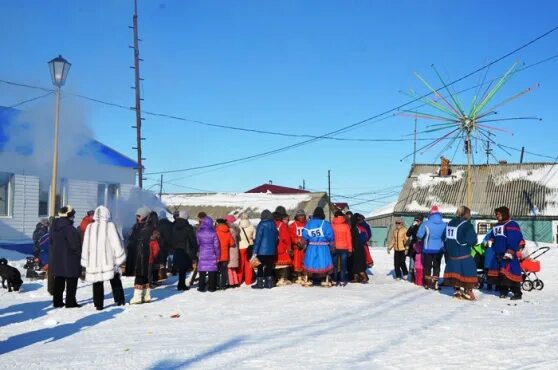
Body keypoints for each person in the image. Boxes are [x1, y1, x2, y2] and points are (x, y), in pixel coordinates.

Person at [81, 206, 127, 310]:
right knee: (115, 280)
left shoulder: (90, 227)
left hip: (94, 260)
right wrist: (119, 257)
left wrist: (85, 259)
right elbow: (116, 243)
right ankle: (119, 300)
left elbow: (85, 245)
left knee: (97, 283)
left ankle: (98, 304)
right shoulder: (110, 226)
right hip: (109, 259)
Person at [484, 206, 524, 300]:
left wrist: (510, 250)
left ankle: (517, 293)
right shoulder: (497, 225)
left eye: (499, 214)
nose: (497, 216)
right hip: (497, 254)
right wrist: (491, 239)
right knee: (500, 275)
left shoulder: (512, 224)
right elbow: (494, 235)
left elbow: (514, 238)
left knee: (511, 274)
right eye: (496, 214)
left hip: (508, 254)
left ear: (504, 214)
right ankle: (503, 292)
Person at [442, 206, 478, 300]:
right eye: (469, 214)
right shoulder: (467, 225)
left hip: (452, 256)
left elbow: (443, 237)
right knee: (469, 272)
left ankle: (457, 289)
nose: (470, 216)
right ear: (465, 214)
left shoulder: (450, 223)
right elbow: (473, 240)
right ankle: (468, 291)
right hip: (463, 255)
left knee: (455, 274)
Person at [50, 205, 82, 308]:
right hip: (70, 259)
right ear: (69, 216)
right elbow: (76, 246)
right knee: (72, 281)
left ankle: (57, 301)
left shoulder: (53, 227)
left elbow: (51, 242)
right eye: (72, 215)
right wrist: (80, 254)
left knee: (59, 280)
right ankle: (70, 302)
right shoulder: (70, 229)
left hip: (57, 258)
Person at [127, 208, 159, 304]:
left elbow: (145, 243)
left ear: (145, 216)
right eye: (136, 215)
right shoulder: (140, 226)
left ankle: (137, 297)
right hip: (139, 254)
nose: (137, 217)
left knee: (140, 275)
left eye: (139, 215)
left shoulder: (147, 228)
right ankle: (146, 295)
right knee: (144, 275)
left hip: (143, 255)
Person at [302, 207, 335, 287]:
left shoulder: (309, 224)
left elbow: (304, 235)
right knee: (324, 263)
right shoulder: (326, 224)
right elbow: (331, 236)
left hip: (311, 247)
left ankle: (308, 279)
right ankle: (325, 280)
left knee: (310, 263)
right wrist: (332, 245)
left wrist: (303, 243)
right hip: (323, 248)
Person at [417, 205, 446, 290]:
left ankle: (428, 283)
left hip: (427, 248)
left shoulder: (426, 223)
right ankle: (435, 283)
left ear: (430, 213)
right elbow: (445, 237)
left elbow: (419, 235)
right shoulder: (444, 224)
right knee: (437, 266)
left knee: (427, 266)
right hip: (440, 249)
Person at [171, 210, 198, 291]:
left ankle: (181, 284)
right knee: (183, 268)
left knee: (180, 268)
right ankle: (181, 284)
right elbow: (192, 239)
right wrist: (195, 247)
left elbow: (170, 237)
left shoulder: (174, 225)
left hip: (176, 249)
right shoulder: (187, 227)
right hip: (186, 249)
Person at [252, 209, 278, 289]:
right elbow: (276, 238)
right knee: (269, 267)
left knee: (260, 267)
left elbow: (258, 239)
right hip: (271, 251)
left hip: (262, 251)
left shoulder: (261, 224)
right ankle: (269, 283)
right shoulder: (274, 224)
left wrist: (255, 251)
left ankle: (260, 284)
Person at [196, 216, 220, 292]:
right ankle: (212, 287)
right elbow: (216, 245)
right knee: (212, 270)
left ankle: (201, 287)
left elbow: (198, 243)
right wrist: (218, 255)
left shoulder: (199, 232)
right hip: (211, 253)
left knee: (202, 271)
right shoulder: (213, 233)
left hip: (202, 252)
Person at [331, 211, 352, 286]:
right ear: (342, 217)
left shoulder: (332, 225)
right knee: (343, 265)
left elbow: (330, 238)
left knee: (335, 265)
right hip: (344, 248)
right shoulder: (346, 226)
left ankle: (334, 280)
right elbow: (349, 238)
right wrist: (350, 249)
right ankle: (342, 281)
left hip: (334, 247)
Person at [273, 206, 292, 287]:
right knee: (284, 264)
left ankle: (276, 278)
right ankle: (282, 278)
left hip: (272, 248)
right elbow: (286, 238)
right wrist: (289, 248)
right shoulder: (282, 225)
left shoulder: (271, 223)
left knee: (275, 264)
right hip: (281, 247)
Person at [154, 211, 173, 285]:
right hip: (169, 245)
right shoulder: (170, 224)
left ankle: (160, 277)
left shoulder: (158, 225)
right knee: (165, 260)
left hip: (160, 245)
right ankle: (164, 274)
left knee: (159, 262)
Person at [215, 218, 234, 290]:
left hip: (216, 254)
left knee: (216, 270)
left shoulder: (215, 231)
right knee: (223, 271)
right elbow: (232, 243)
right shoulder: (228, 232)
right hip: (225, 254)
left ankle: (217, 284)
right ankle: (223, 285)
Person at [289, 209, 307, 284]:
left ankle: (305, 275)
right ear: (296, 216)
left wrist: (304, 242)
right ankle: (298, 275)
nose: (301, 217)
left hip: (305, 246)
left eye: (302, 215)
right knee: (297, 262)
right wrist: (296, 241)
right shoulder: (293, 225)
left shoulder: (307, 224)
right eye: (299, 216)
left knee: (305, 261)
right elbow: (291, 235)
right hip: (297, 247)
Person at [238, 213, 256, 286]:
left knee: (240, 264)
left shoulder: (238, 227)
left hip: (240, 246)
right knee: (249, 264)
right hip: (250, 246)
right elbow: (254, 237)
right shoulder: (252, 227)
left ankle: (239, 280)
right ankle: (248, 281)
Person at [225, 215, 241, 288]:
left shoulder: (229, 230)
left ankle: (231, 283)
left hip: (230, 250)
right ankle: (236, 282)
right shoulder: (236, 230)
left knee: (229, 268)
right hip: (235, 250)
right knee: (233, 268)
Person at [350, 216, 368, 283]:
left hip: (357, 247)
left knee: (357, 263)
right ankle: (357, 278)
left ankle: (363, 277)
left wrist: (353, 247)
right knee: (356, 263)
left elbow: (354, 239)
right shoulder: (358, 228)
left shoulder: (354, 228)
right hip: (360, 247)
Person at [406, 215, 423, 283]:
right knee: (411, 264)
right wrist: (411, 226)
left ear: (421, 221)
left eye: (418, 221)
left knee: (420, 264)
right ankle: (410, 279)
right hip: (413, 247)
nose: (416, 222)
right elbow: (408, 234)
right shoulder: (414, 227)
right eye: (415, 220)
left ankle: (419, 278)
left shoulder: (423, 227)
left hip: (420, 247)